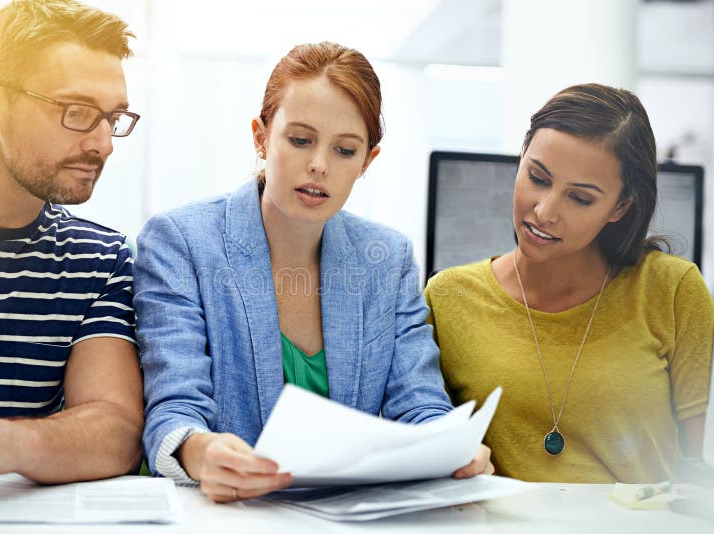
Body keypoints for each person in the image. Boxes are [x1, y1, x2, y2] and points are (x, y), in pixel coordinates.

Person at [135, 42, 492, 503]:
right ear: (261, 137)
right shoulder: (181, 242)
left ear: (368, 161)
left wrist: (451, 448)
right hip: (226, 516)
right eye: (300, 140)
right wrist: (200, 452)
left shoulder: (387, 259)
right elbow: (175, 405)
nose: (320, 165)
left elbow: (417, 401)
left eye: (345, 150)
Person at [425, 83, 714, 483]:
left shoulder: (673, 290)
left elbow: (692, 470)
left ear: (620, 207)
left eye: (580, 198)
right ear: (521, 157)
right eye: (538, 178)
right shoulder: (447, 297)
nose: (544, 211)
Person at [0, 0, 144, 483]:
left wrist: (5, 440)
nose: (103, 144)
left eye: (113, 117)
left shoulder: (98, 258)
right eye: (77, 112)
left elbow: (118, 430)